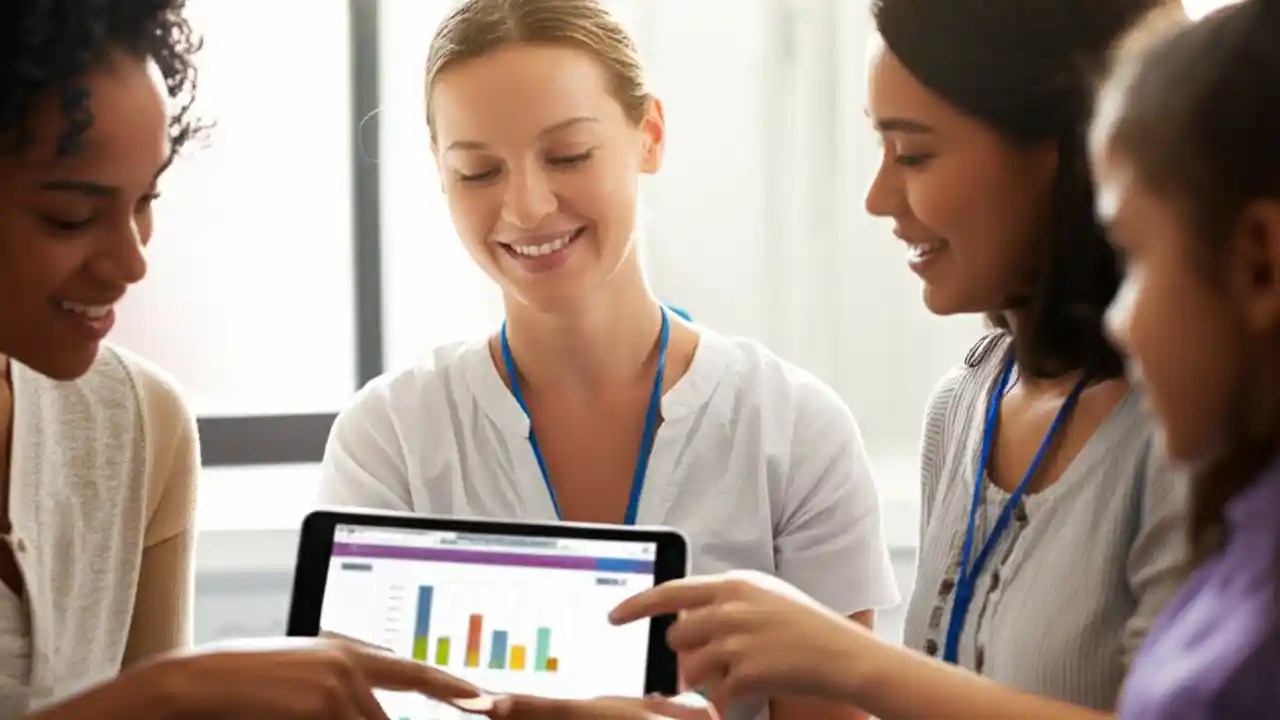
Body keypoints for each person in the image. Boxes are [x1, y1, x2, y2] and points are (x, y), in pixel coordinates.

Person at [493, 0, 1188, 717]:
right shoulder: (967, 404)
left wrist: (848, 663)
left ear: (1069, 153)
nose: (877, 197)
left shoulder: (1187, 437)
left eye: (913, 154)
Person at [316, 1, 898, 719]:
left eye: (567, 156)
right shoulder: (391, 439)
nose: (526, 207)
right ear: (439, 170)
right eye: (476, 171)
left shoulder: (793, 431)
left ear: (649, 135)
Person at [0, 0, 489, 717]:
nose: (133, 263)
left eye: (146, 198)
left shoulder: (138, 423)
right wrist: (165, 694)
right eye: (71, 217)